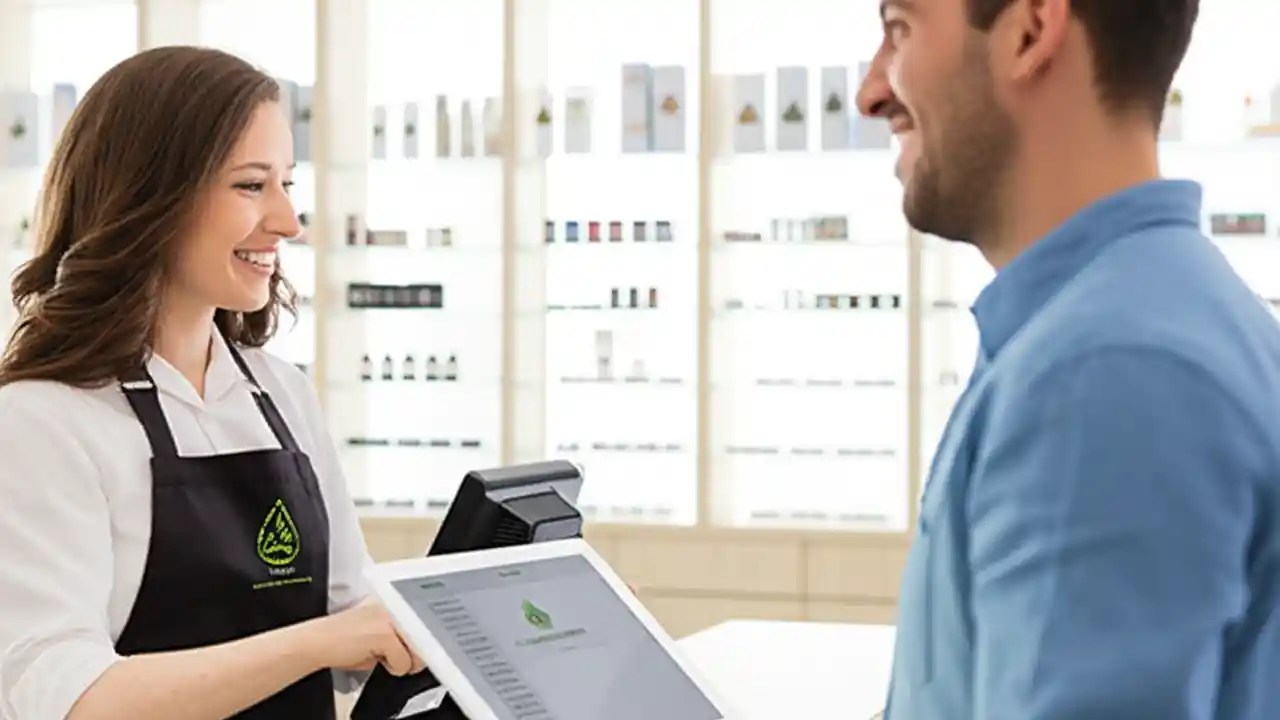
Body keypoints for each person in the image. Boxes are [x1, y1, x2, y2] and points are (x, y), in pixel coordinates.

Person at [857, 0, 1279, 718]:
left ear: (1029, 31)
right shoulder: (1133, 323)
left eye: (901, 28)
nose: (872, 92)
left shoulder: (1106, 375)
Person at [0, 47, 422, 719]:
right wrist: (319, 643)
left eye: (288, 184)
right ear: (149, 199)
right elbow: (74, 700)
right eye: (252, 185)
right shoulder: (43, 421)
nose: (287, 222)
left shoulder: (282, 396)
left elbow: (354, 628)